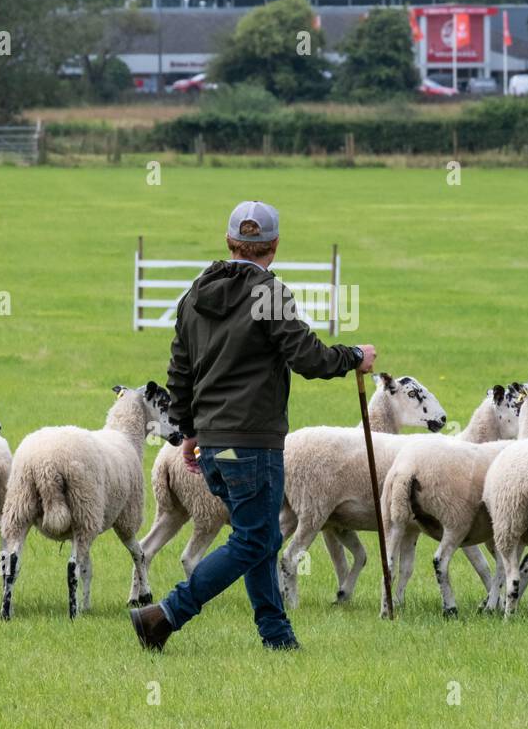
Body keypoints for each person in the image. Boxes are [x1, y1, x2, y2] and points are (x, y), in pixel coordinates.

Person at [130, 201, 376, 651]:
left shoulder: (194, 296)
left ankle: (276, 636)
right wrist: (355, 356)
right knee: (257, 536)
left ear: (229, 242)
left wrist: (188, 432)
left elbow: (179, 372)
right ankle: (164, 615)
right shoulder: (268, 294)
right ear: (274, 246)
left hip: (214, 448)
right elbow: (308, 358)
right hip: (252, 444)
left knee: (255, 532)